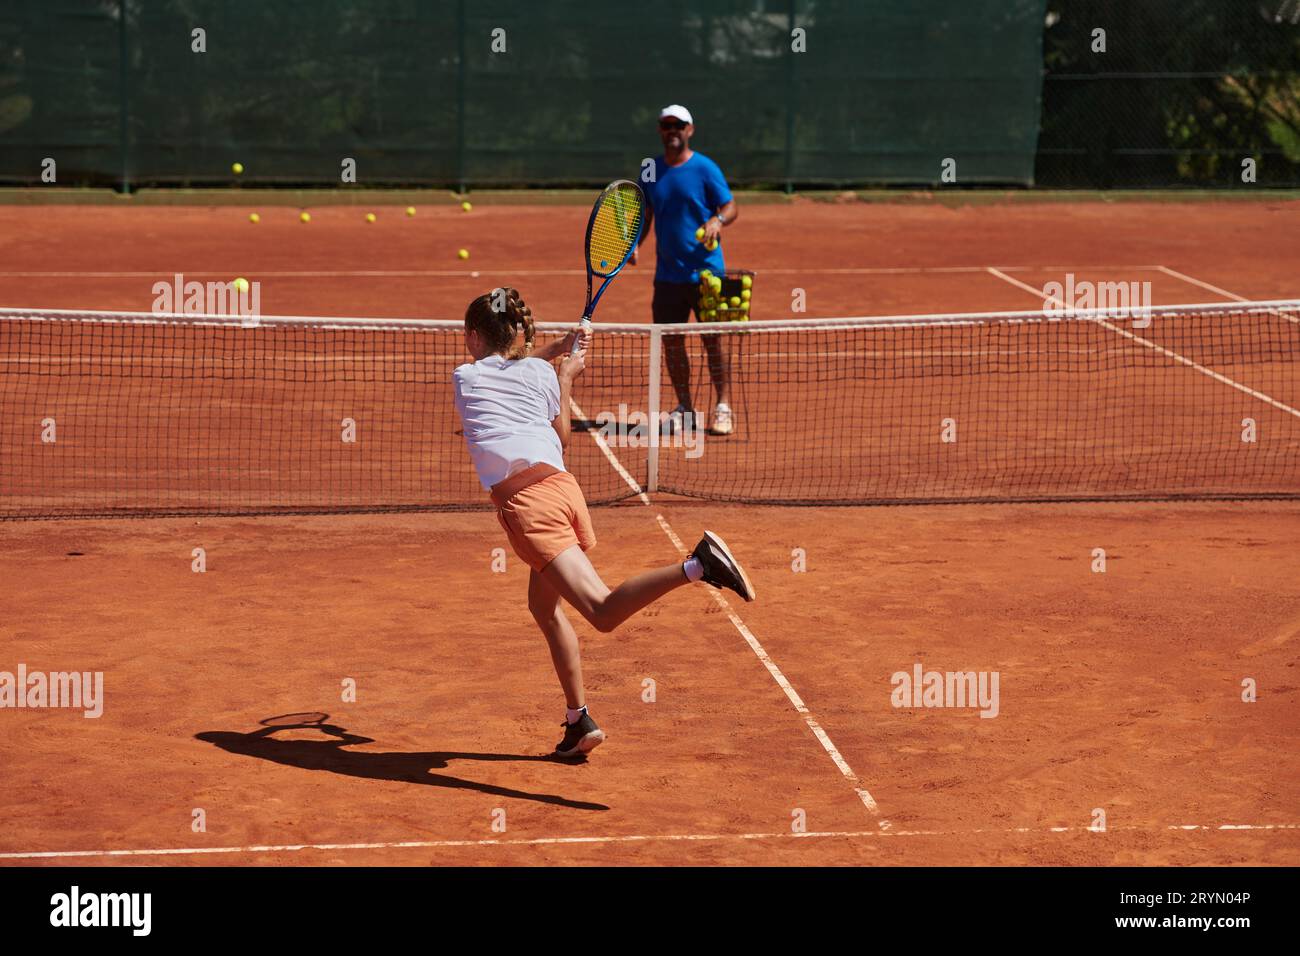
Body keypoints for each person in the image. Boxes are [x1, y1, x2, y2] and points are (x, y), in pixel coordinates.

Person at [452, 287, 756, 757]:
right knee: (544, 609)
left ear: (473, 336)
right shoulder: (541, 374)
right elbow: (560, 436)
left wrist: (559, 363)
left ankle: (697, 566)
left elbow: (507, 367)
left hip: (530, 508)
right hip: (563, 492)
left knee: (602, 611)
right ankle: (577, 720)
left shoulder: (466, 378)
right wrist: (564, 370)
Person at [632, 104, 739, 436]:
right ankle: (685, 407)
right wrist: (636, 242)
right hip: (667, 276)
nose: (673, 130)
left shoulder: (705, 168)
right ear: (660, 130)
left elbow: (730, 206)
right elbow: (646, 212)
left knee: (714, 340)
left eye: (679, 125)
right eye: (667, 125)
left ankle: (723, 406)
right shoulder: (650, 169)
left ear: (690, 129)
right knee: (671, 341)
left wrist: (716, 221)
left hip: (708, 273)